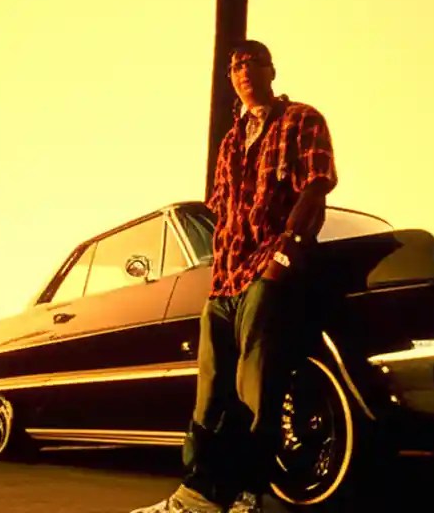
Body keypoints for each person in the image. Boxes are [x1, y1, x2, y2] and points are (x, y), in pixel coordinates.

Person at [133, 40, 337, 513]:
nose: (244, 71)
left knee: (255, 391)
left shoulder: (302, 119)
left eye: (253, 63)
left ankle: (248, 495)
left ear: (272, 69)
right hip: (223, 283)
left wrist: (283, 257)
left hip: (267, 272)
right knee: (210, 394)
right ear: (231, 80)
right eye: (235, 66)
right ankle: (199, 495)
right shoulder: (229, 142)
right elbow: (221, 211)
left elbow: (315, 190)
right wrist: (213, 271)